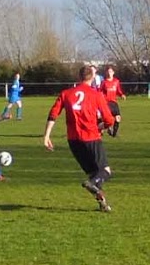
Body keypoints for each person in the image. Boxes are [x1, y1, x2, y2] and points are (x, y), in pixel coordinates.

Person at [42, 64, 117, 213]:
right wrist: (100, 127)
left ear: (79, 77)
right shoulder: (96, 95)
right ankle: (91, 184)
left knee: (94, 173)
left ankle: (102, 203)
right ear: (93, 77)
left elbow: (53, 113)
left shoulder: (66, 93)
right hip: (91, 138)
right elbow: (109, 120)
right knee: (105, 171)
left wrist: (47, 136)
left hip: (73, 141)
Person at [100, 65, 125, 137]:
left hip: (114, 102)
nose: (109, 73)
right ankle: (105, 128)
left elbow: (118, 90)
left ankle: (114, 133)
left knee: (118, 118)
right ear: (106, 73)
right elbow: (99, 92)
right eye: (108, 72)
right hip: (106, 103)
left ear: (113, 73)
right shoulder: (104, 82)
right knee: (108, 118)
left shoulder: (116, 81)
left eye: (110, 71)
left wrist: (122, 95)